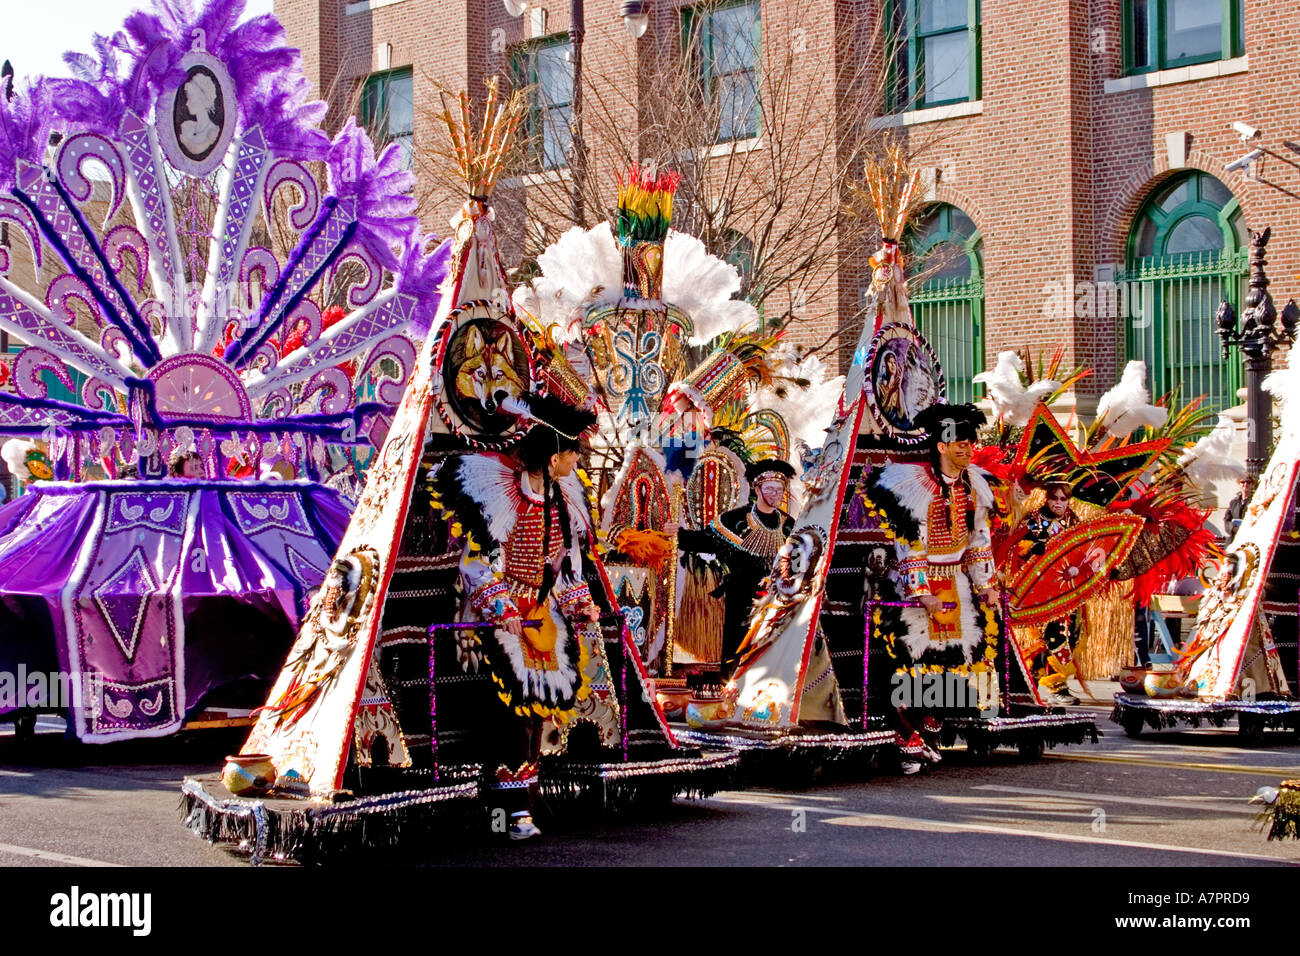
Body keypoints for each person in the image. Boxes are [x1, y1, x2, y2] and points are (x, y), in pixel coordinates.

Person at [431, 393, 611, 841]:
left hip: (543, 618)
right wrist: (503, 609)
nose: (575, 461)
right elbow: (476, 562)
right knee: (514, 718)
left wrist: (579, 606)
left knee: (538, 713)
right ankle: (508, 812)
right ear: (552, 459)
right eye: (572, 453)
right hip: (509, 616)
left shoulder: (564, 501)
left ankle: (524, 806)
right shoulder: (502, 493)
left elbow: (567, 565)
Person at [860, 403, 999, 773]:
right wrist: (922, 593)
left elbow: (979, 539)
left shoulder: (975, 486)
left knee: (954, 660)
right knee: (911, 661)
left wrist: (986, 583)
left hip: (956, 582)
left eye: (971, 445)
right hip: (917, 588)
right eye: (960, 445)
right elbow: (910, 544)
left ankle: (931, 724)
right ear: (941, 446)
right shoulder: (914, 485)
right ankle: (906, 735)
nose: (967, 451)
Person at [677, 458, 796, 679]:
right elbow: (704, 540)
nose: (775, 494)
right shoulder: (734, 520)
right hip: (740, 597)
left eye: (779, 490)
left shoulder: (790, 525)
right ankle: (729, 691)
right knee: (736, 649)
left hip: (776, 600)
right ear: (757, 488)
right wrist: (678, 533)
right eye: (770, 489)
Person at [1014, 483, 1081, 705]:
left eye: (1064, 499)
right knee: (1054, 636)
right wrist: (1032, 548)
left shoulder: (1073, 520)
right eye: (1055, 499)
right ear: (1047, 498)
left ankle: (1033, 677)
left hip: (1068, 590)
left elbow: (1084, 548)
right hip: (1040, 591)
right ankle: (1056, 686)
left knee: (1070, 635)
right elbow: (1016, 547)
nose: (1059, 503)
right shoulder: (1032, 520)